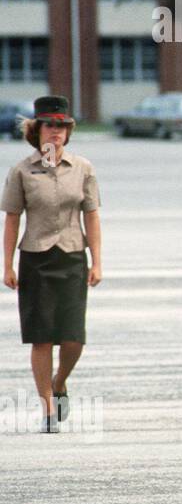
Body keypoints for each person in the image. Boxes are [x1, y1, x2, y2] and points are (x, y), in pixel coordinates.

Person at [2, 95, 102, 434]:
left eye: (62, 126)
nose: (56, 132)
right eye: (50, 125)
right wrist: (8, 265)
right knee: (42, 337)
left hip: (72, 254)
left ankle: (60, 381)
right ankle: (47, 407)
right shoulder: (22, 170)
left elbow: (92, 215)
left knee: (73, 338)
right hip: (36, 257)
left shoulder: (83, 168)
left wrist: (97, 261)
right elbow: (12, 219)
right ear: (37, 130)